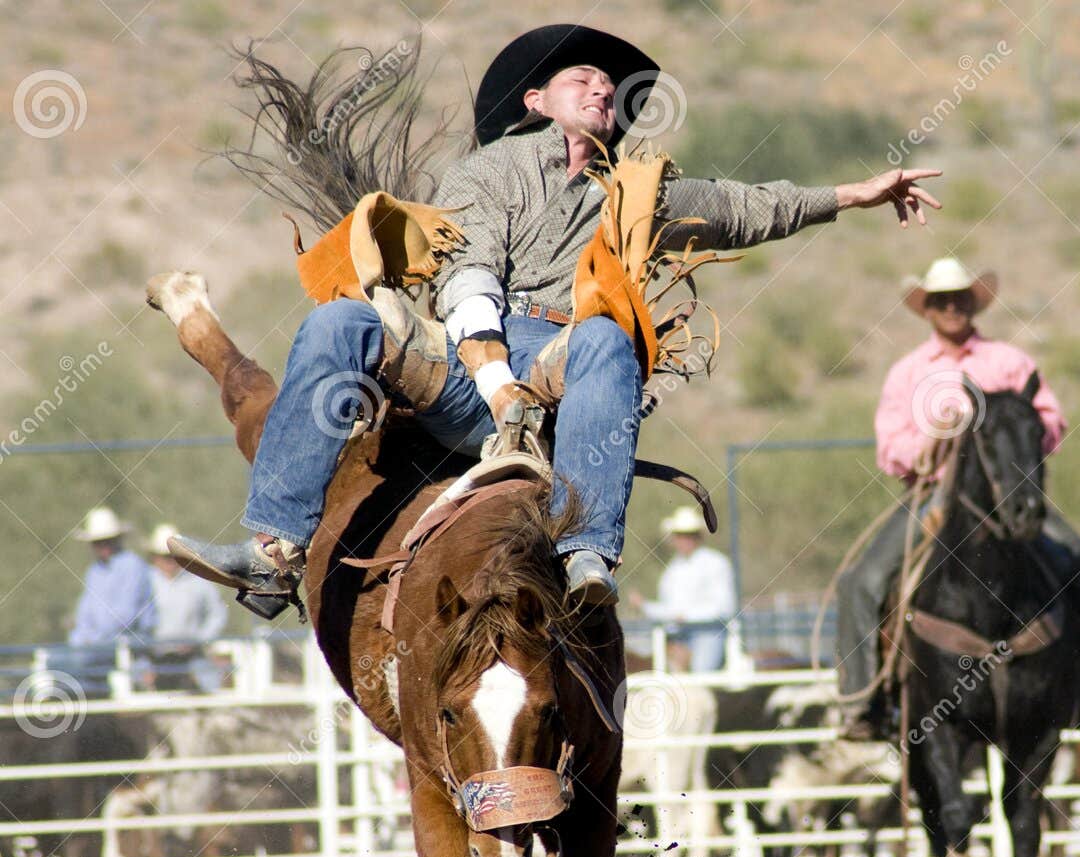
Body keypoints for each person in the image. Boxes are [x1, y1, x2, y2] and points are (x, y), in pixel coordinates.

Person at [171, 23, 941, 614]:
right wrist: (496, 375)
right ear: (535, 102)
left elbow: (747, 208)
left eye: (612, 86)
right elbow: (469, 267)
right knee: (340, 326)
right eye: (584, 77)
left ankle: (587, 556)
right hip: (466, 362)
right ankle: (277, 550)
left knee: (609, 330)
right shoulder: (488, 170)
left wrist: (851, 196)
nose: (605, 88)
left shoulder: (639, 191)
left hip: (567, 363)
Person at [835, 258, 1080, 741]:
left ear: (973, 302)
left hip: (1011, 492)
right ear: (927, 309)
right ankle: (863, 703)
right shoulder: (907, 373)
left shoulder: (1008, 362)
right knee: (859, 582)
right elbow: (890, 448)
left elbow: (1051, 421)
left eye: (960, 298)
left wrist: (1020, 442)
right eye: (941, 300)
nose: (952, 308)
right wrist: (928, 446)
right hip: (933, 494)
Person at [629, 506, 736, 672]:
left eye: (689, 535)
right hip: (676, 635)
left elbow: (724, 607)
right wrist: (644, 605)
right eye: (680, 535)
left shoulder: (716, 563)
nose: (683, 540)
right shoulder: (671, 570)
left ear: (698, 537)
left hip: (708, 633)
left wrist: (685, 616)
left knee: (701, 674)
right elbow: (668, 610)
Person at [145, 524, 229, 690]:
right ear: (154, 557)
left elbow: (217, 612)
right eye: (165, 556)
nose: (170, 561)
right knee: (136, 683)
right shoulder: (144, 581)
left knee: (212, 686)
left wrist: (200, 639)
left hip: (193, 654)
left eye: (173, 555)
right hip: (153, 656)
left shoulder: (198, 579)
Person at [67, 507, 155, 647]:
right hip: (99, 646)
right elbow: (84, 612)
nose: (104, 546)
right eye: (98, 542)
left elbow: (126, 616)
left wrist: (92, 639)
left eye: (108, 540)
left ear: (117, 539)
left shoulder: (132, 566)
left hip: (130, 646)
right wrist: (80, 639)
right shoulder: (94, 571)